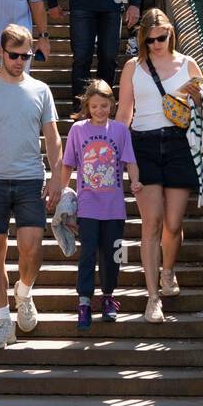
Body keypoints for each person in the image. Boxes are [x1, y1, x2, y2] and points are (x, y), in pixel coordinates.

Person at [0, 25, 62, 348]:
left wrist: (58, 177)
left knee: (33, 247)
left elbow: (53, 138)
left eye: (25, 56)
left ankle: (24, 292)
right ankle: (4, 320)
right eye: (14, 55)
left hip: (31, 177)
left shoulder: (41, 90)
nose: (20, 61)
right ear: (1, 53)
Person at [116, 9, 203, 322]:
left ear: (170, 33)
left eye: (161, 38)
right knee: (151, 222)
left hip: (179, 143)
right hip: (144, 143)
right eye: (149, 39)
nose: (155, 44)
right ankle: (153, 297)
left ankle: (168, 271)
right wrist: (118, 151)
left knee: (173, 223)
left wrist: (199, 97)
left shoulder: (188, 64)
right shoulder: (133, 67)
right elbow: (124, 113)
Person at [61, 80, 141, 330]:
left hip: (114, 207)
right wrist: (64, 194)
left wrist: (136, 182)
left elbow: (130, 161)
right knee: (87, 254)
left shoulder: (120, 131)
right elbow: (67, 164)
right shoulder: (77, 130)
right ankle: (84, 302)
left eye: (104, 105)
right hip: (87, 206)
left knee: (112, 255)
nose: (99, 110)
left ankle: (108, 297)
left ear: (112, 105)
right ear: (87, 106)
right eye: (94, 106)